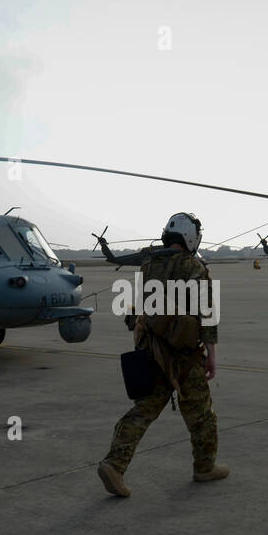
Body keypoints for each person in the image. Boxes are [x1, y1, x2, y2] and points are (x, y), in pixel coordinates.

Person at [98, 212, 228, 497]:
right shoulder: (194, 266)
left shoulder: (148, 265)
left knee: (143, 410)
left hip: (151, 350)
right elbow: (207, 314)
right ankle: (204, 467)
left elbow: (139, 309)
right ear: (191, 237)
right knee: (202, 414)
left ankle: (114, 465)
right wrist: (212, 354)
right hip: (184, 356)